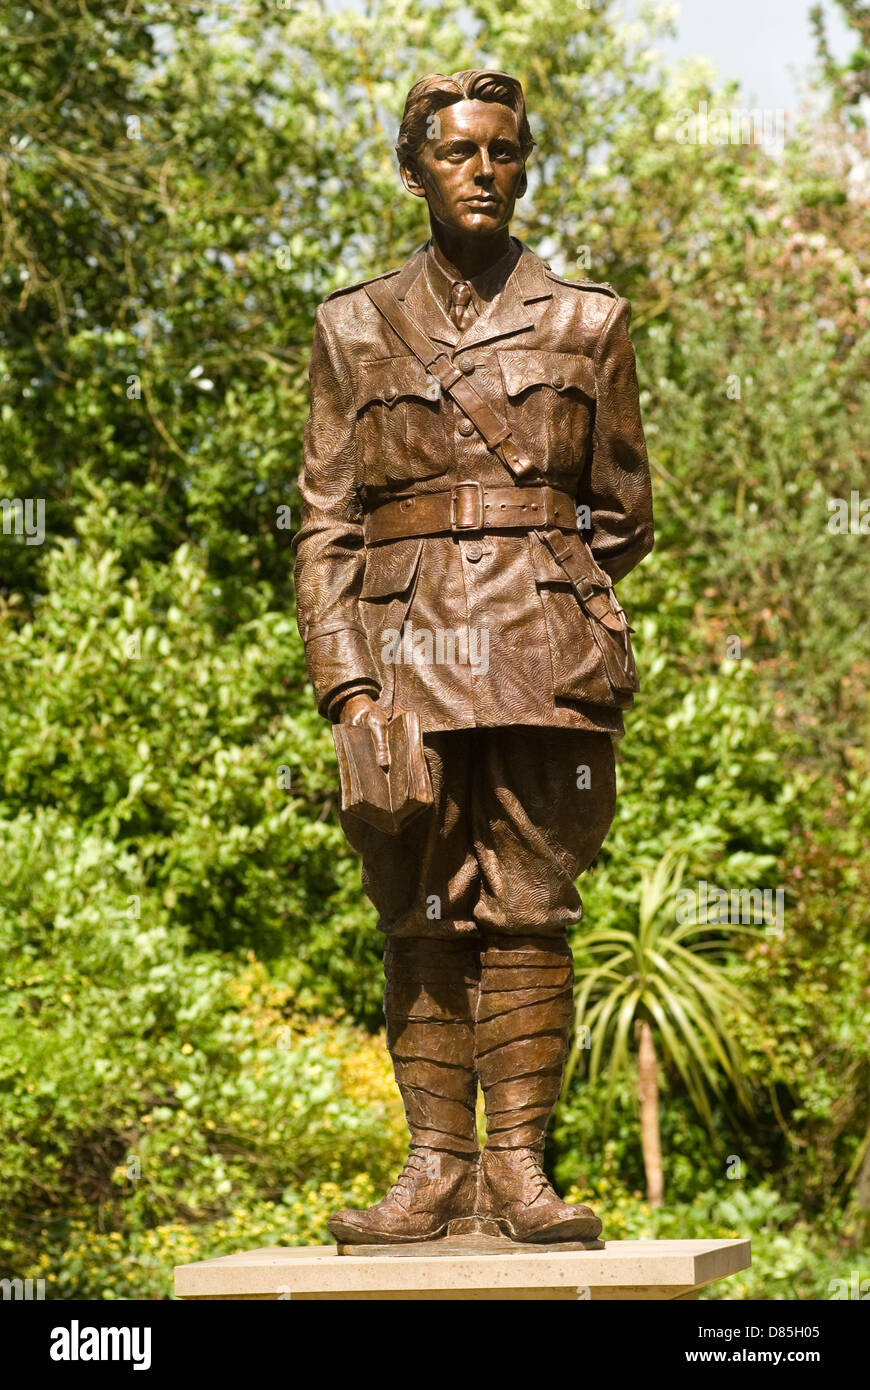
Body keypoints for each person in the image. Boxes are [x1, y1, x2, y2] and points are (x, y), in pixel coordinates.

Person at [293, 69, 654, 1244]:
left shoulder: (588, 321)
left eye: (505, 151)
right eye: (458, 153)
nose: (484, 171)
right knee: (418, 913)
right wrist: (349, 685)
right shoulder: (351, 326)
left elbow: (626, 514)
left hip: (546, 663)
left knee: (533, 912)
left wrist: (548, 598)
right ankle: (434, 1171)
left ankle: (519, 1176)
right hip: (398, 665)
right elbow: (327, 524)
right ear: (416, 170)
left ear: (525, 165)